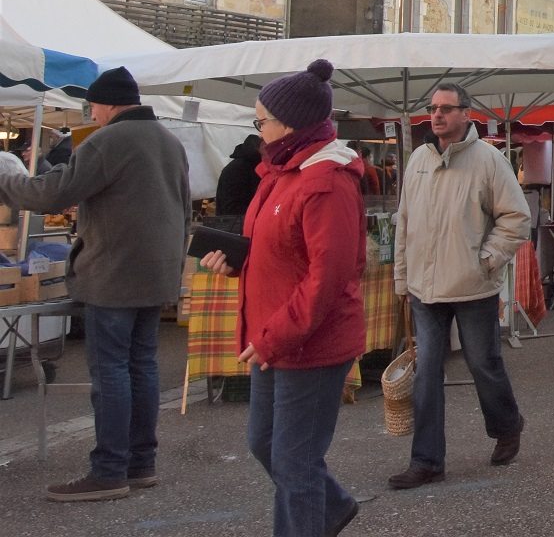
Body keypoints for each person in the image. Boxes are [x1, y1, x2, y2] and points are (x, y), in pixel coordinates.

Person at [0, 66, 189, 502]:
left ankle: (109, 470)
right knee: (141, 366)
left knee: (112, 372)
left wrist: (5, 182)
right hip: (156, 273)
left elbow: (53, 193)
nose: (93, 115)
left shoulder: (108, 141)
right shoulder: (169, 141)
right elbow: (182, 209)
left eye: (93, 107)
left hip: (114, 274)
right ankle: (140, 464)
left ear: (106, 104)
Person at [200, 59, 364, 537]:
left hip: (308, 342)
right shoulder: (281, 173)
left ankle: (320, 514)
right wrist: (236, 262)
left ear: (290, 125)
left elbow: (326, 279)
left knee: (294, 462)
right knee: (266, 445)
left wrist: (275, 337)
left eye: (262, 121)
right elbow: (277, 250)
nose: (259, 131)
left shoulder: (325, 181)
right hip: (275, 336)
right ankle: (333, 508)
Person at [389, 84, 531, 490]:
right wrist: (403, 277)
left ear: (466, 113)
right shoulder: (418, 159)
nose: (437, 115)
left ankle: (507, 425)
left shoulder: (488, 160)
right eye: (433, 108)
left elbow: (516, 218)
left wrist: (486, 260)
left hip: (472, 286)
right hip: (425, 288)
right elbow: (405, 221)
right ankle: (426, 461)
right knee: (426, 375)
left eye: (446, 109)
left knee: (483, 364)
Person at [214, 133, 264, 219]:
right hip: (235, 221)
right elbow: (232, 207)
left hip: (233, 219)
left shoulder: (242, 165)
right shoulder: (241, 168)